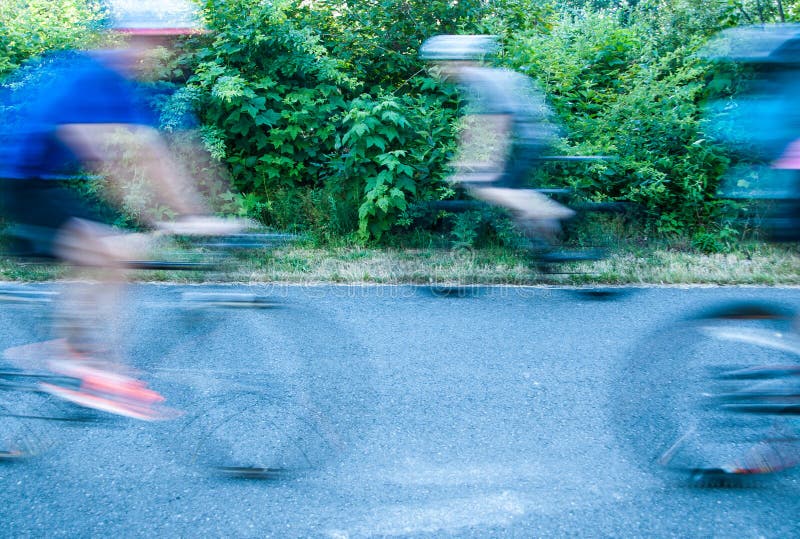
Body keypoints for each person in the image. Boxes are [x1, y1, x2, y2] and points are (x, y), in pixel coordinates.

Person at [0, 0, 241, 420]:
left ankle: (70, 352)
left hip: (39, 178)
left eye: (174, 47)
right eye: (159, 44)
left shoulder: (125, 84)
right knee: (110, 253)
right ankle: (85, 364)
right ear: (131, 39)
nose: (166, 56)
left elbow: (166, 155)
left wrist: (197, 215)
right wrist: (174, 221)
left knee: (112, 253)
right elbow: (107, 163)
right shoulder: (93, 76)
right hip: (15, 177)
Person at [419, 34, 575, 244]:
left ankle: (552, 212)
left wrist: (490, 163)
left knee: (486, 189)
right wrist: (463, 161)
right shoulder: (476, 80)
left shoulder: (482, 81)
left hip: (531, 137)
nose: (440, 69)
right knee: (512, 204)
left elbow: (501, 122)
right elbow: (473, 125)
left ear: (457, 61)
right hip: (530, 135)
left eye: (442, 63)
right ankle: (548, 253)